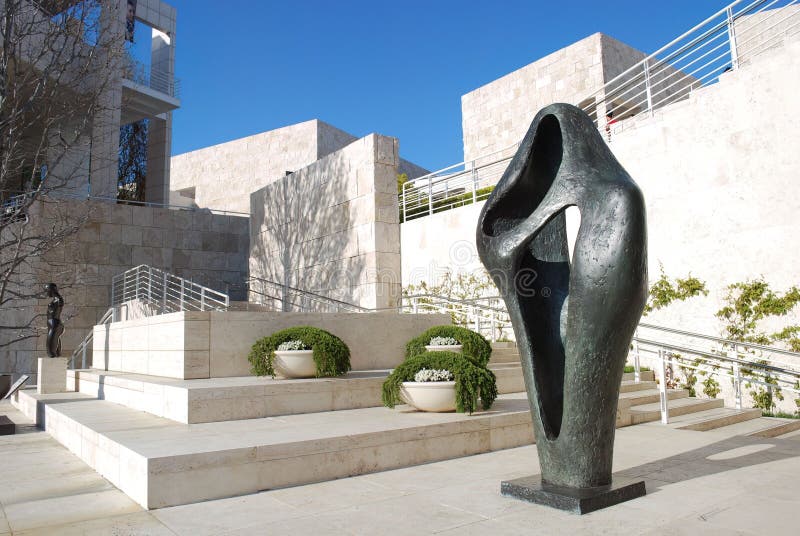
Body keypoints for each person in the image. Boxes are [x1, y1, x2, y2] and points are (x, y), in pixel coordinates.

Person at [45, 283, 65, 358]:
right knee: (53, 347)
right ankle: (57, 354)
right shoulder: (55, 299)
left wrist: (56, 294)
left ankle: (56, 355)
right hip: (52, 324)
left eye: (46, 290)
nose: (46, 293)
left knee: (50, 351)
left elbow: (60, 302)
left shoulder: (58, 299)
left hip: (54, 324)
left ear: (50, 290)